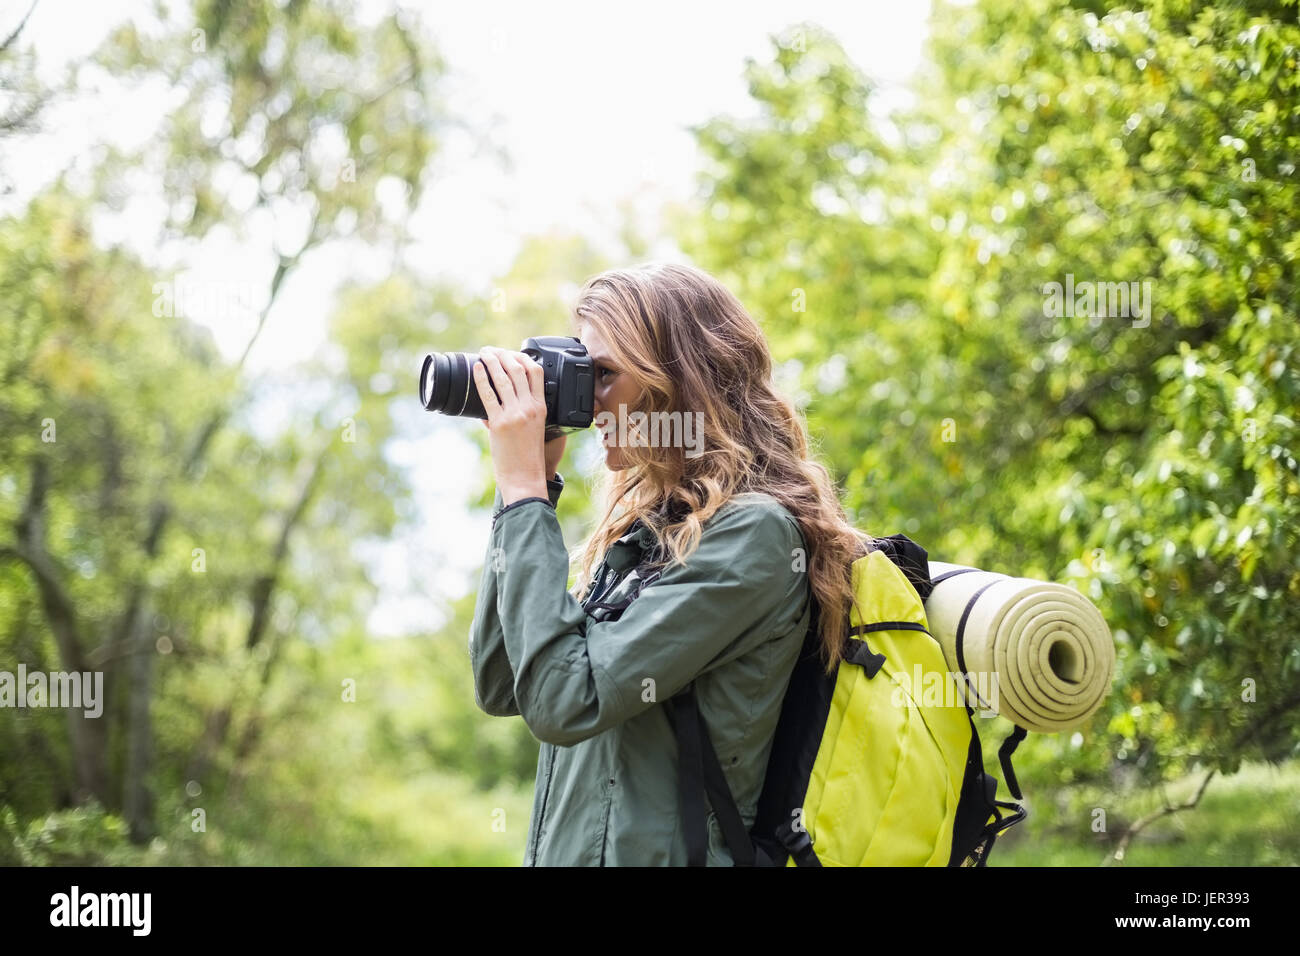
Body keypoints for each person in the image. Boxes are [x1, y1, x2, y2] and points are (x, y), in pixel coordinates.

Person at [468, 261, 869, 866]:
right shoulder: (645, 536)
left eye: (601, 374)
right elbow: (503, 681)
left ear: (678, 383)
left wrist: (524, 492)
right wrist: (530, 489)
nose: (583, 398)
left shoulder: (752, 535)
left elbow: (565, 698)